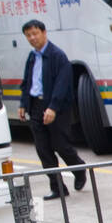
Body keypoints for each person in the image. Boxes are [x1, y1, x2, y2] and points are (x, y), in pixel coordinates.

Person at [19, 20, 87, 200]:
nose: (32, 38)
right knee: (43, 149)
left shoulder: (57, 56)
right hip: (36, 106)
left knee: (61, 145)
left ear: (44, 33)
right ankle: (57, 187)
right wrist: (23, 104)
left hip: (55, 108)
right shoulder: (32, 57)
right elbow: (27, 83)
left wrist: (53, 108)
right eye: (28, 35)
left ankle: (79, 169)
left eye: (35, 33)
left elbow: (62, 84)